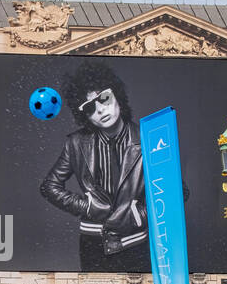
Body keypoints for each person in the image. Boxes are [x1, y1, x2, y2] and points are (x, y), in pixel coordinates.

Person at [40, 63, 148, 272]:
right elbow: (49, 186)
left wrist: (139, 215)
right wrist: (86, 207)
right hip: (93, 244)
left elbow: (177, 191)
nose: (99, 109)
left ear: (117, 96)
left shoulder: (148, 138)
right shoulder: (76, 143)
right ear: (85, 115)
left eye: (104, 98)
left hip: (136, 243)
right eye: (89, 107)